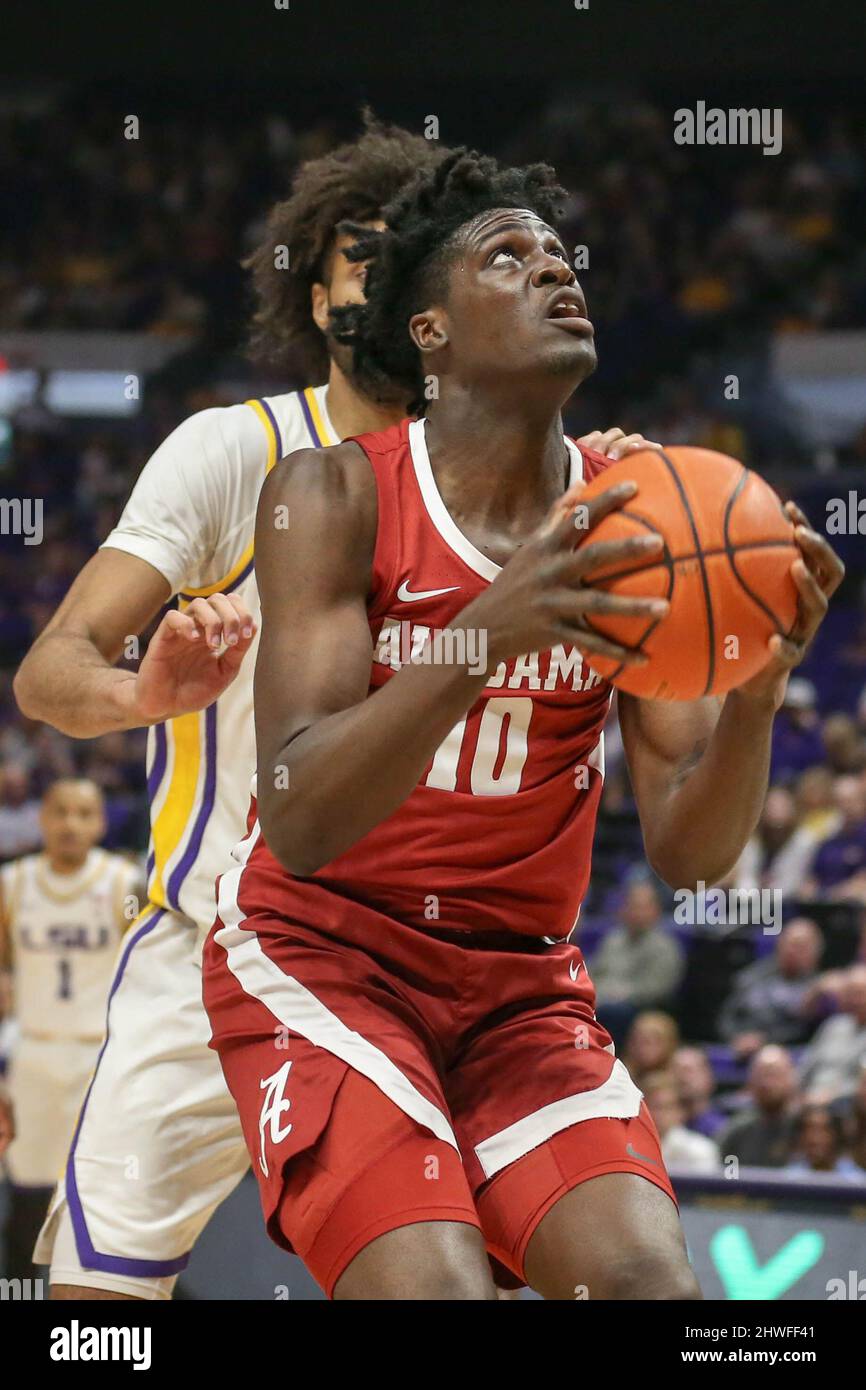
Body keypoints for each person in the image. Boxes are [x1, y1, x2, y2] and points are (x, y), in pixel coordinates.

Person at [13, 119, 652, 1302]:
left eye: (400, 249)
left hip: (439, 965)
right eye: (357, 252)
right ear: (317, 297)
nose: (380, 269)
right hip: (217, 936)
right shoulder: (236, 452)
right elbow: (49, 670)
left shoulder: (515, 474)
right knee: (92, 1318)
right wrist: (141, 692)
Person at [203, 147, 842, 1300]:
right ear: (432, 332)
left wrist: (754, 694)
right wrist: (484, 633)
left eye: (557, 254)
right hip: (325, 955)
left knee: (656, 1290)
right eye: (508, 256)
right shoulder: (333, 493)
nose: (555, 270)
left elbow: (691, 854)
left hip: (519, 991)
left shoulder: (637, 512)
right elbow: (297, 816)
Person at [0, 779, 140, 1279]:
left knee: (105, 1207)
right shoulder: (12, 884)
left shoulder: (125, 883)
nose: (70, 825)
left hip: (100, 1062)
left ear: (100, 823)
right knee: (27, 1206)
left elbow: (144, 982)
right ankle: (18, 1297)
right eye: (59, 812)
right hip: (34, 1058)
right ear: (42, 819)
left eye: (83, 814)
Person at [589, 879, 685, 1044]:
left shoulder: (665, 946)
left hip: (635, 1008)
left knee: (614, 1012)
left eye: (642, 907)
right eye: (632, 906)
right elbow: (592, 971)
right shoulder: (612, 940)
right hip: (602, 999)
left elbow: (658, 989)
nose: (636, 912)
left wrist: (620, 994)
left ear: (656, 910)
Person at [718, 917, 824, 1058]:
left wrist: (765, 1041)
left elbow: (805, 1031)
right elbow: (727, 1017)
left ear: (815, 952)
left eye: (800, 946)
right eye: (789, 944)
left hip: (787, 1055)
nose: (792, 951)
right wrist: (736, 1038)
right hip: (740, 1047)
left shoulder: (818, 989)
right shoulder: (752, 977)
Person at [718, 1045, 801, 1168]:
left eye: (774, 1075)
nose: (767, 1083)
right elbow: (729, 1176)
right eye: (761, 1075)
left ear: (791, 1078)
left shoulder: (806, 1128)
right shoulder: (737, 1133)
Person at [799, 964, 866, 1101]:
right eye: (850, 993)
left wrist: (830, 1097)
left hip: (845, 1103)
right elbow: (806, 1067)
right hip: (809, 1100)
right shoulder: (832, 1026)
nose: (855, 1000)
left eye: (860, 994)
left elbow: (861, 1084)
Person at [801, 775, 866, 903]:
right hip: (824, 905)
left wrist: (834, 894)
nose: (845, 806)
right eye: (840, 801)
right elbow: (813, 877)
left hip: (854, 908)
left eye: (850, 800)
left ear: (863, 801)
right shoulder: (829, 840)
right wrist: (808, 889)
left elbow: (861, 882)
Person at [642, 1073, 721, 1174]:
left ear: (680, 1112)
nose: (656, 1114)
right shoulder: (629, 1148)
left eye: (665, 1107)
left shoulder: (701, 1150)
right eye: (650, 1107)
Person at [785, 1104, 865, 1181]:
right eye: (808, 1130)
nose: (815, 1139)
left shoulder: (857, 1181)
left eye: (824, 1130)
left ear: (836, 1135)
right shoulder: (788, 1179)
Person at [671, 1046, 727, 1140]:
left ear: (709, 1078)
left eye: (690, 1071)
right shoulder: (660, 1128)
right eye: (677, 1070)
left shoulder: (723, 1129)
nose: (683, 1077)